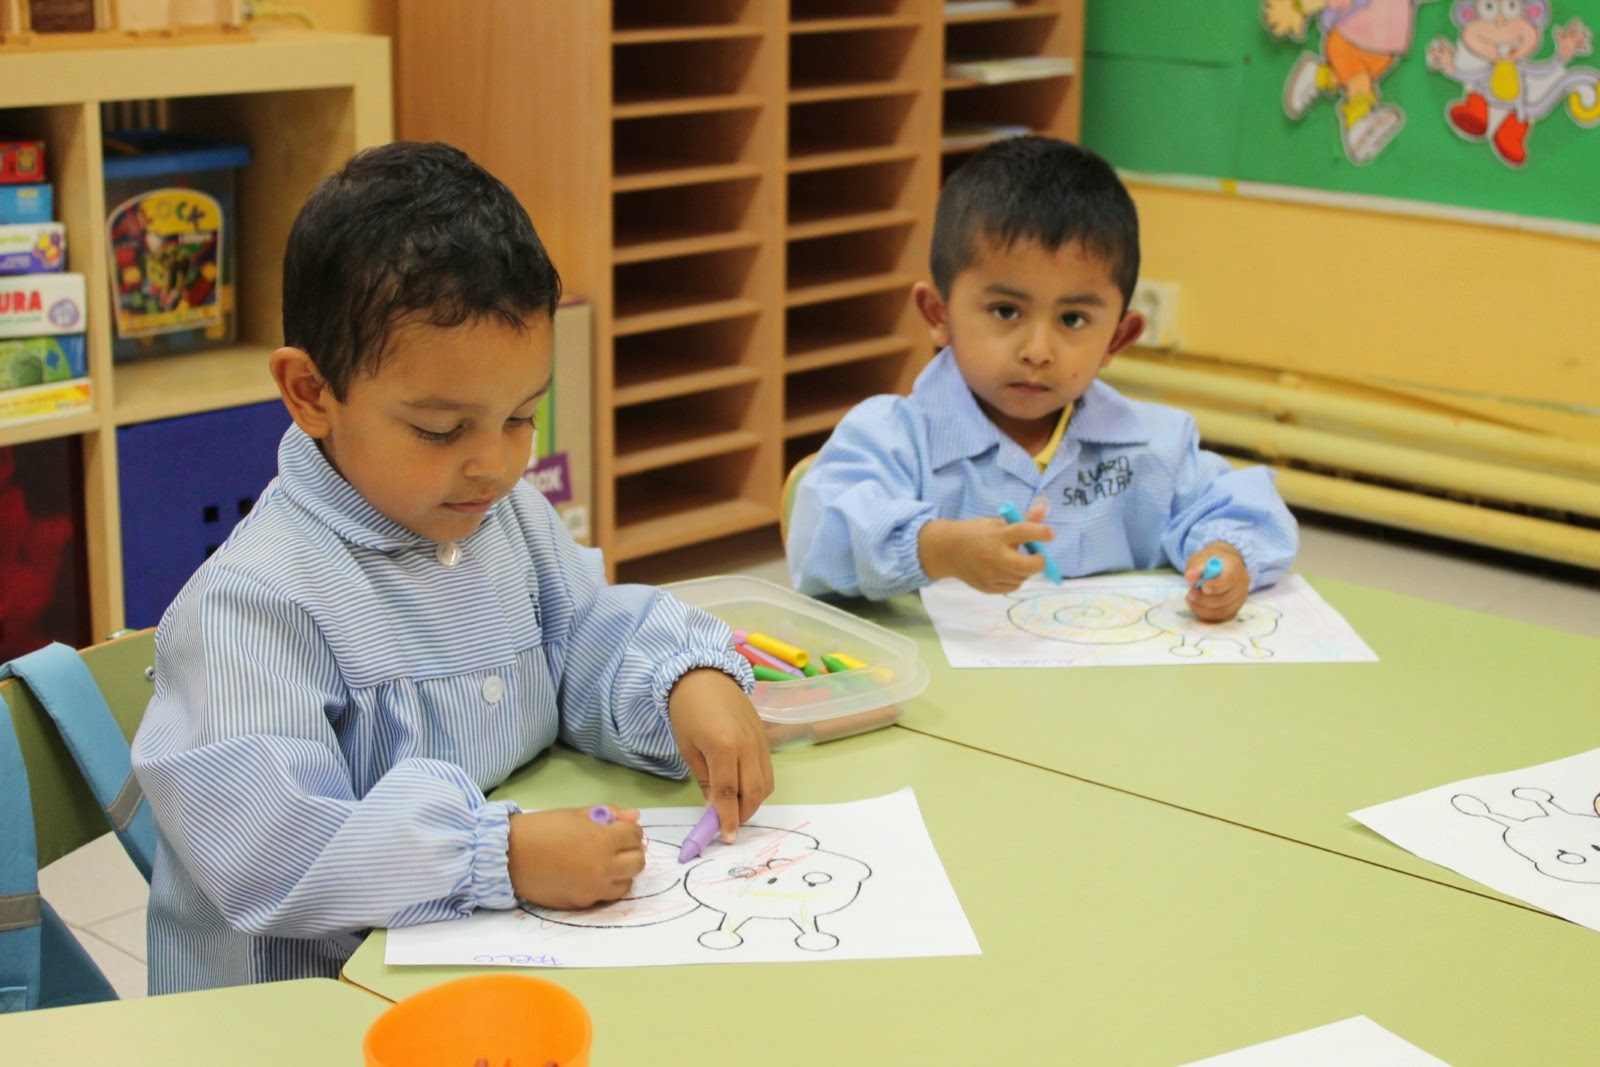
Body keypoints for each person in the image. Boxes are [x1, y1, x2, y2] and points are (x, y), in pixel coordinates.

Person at [131, 142, 773, 994]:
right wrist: (494, 854)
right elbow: (272, 851)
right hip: (303, 1019)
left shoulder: (502, 518)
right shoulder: (253, 606)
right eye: (441, 430)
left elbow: (585, 635)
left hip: (488, 970)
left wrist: (685, 680)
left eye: (521, 416)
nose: (495, 465)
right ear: (311, 392)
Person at [786, 136, 1297, 621]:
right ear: (938, 314)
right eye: (1006, 311)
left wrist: (1226, 556)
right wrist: (936, 548)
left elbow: (1241, 510)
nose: (1037, 351)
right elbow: (818, 541)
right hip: (942, 702)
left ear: (1117, 339)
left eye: (1073, 320)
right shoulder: (893, 437)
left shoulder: (1154, 447)